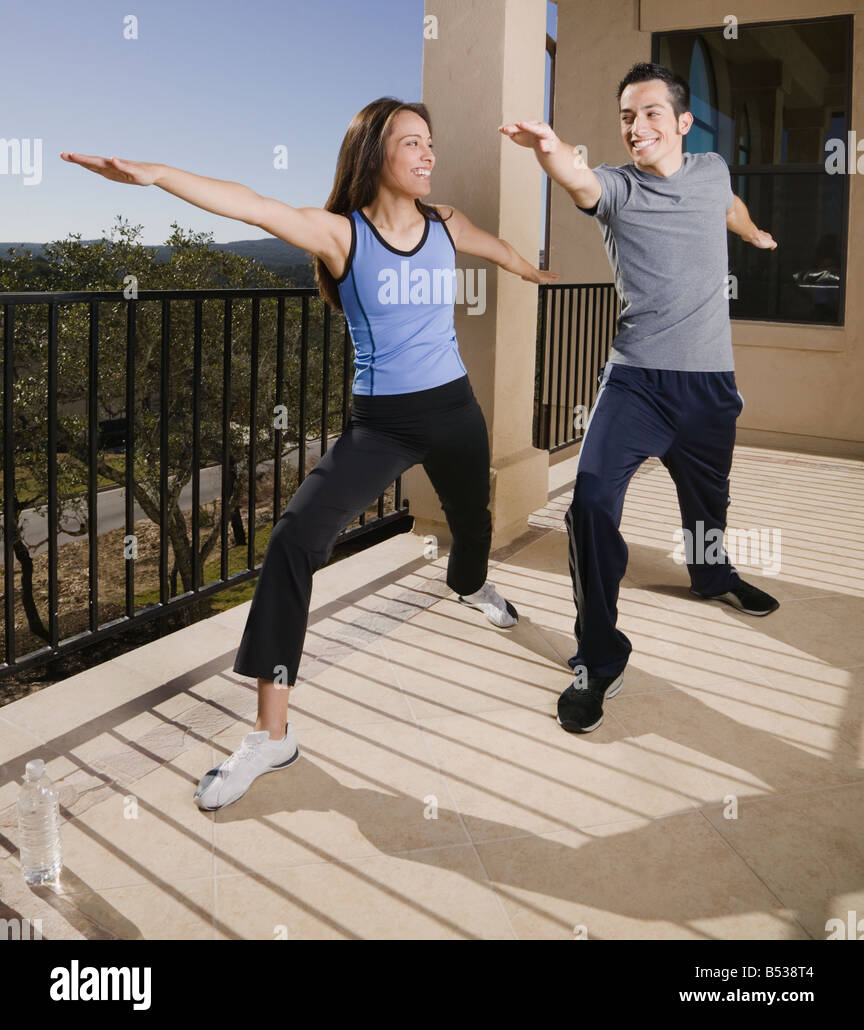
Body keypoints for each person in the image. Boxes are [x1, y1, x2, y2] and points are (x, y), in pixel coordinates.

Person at [62, 96, 556, 806]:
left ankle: (469, 583)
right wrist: (157, 174)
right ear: (374, 156)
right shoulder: (340, 234)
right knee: (293, 538)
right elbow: (252, 206)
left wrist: (531, 271)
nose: (428, 155)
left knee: (472, 523)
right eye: (411, 144)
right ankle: (272, 733)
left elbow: (496, 247)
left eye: (429, 143)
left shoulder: (444, 223)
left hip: (454, 411)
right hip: (380, 424)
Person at [501, 62, 780, 735]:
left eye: (651, 112)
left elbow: (728, 205)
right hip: (637, 383)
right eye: (627, 116)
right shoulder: (619, 189)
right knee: (590, 502)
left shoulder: (711, 170)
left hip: (711, 384)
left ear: (683, 122)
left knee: (709, 498)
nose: (637, 127)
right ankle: (599, 658)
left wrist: (751, 233)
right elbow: (581, 178)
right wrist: (551, 154)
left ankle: (713, 577)